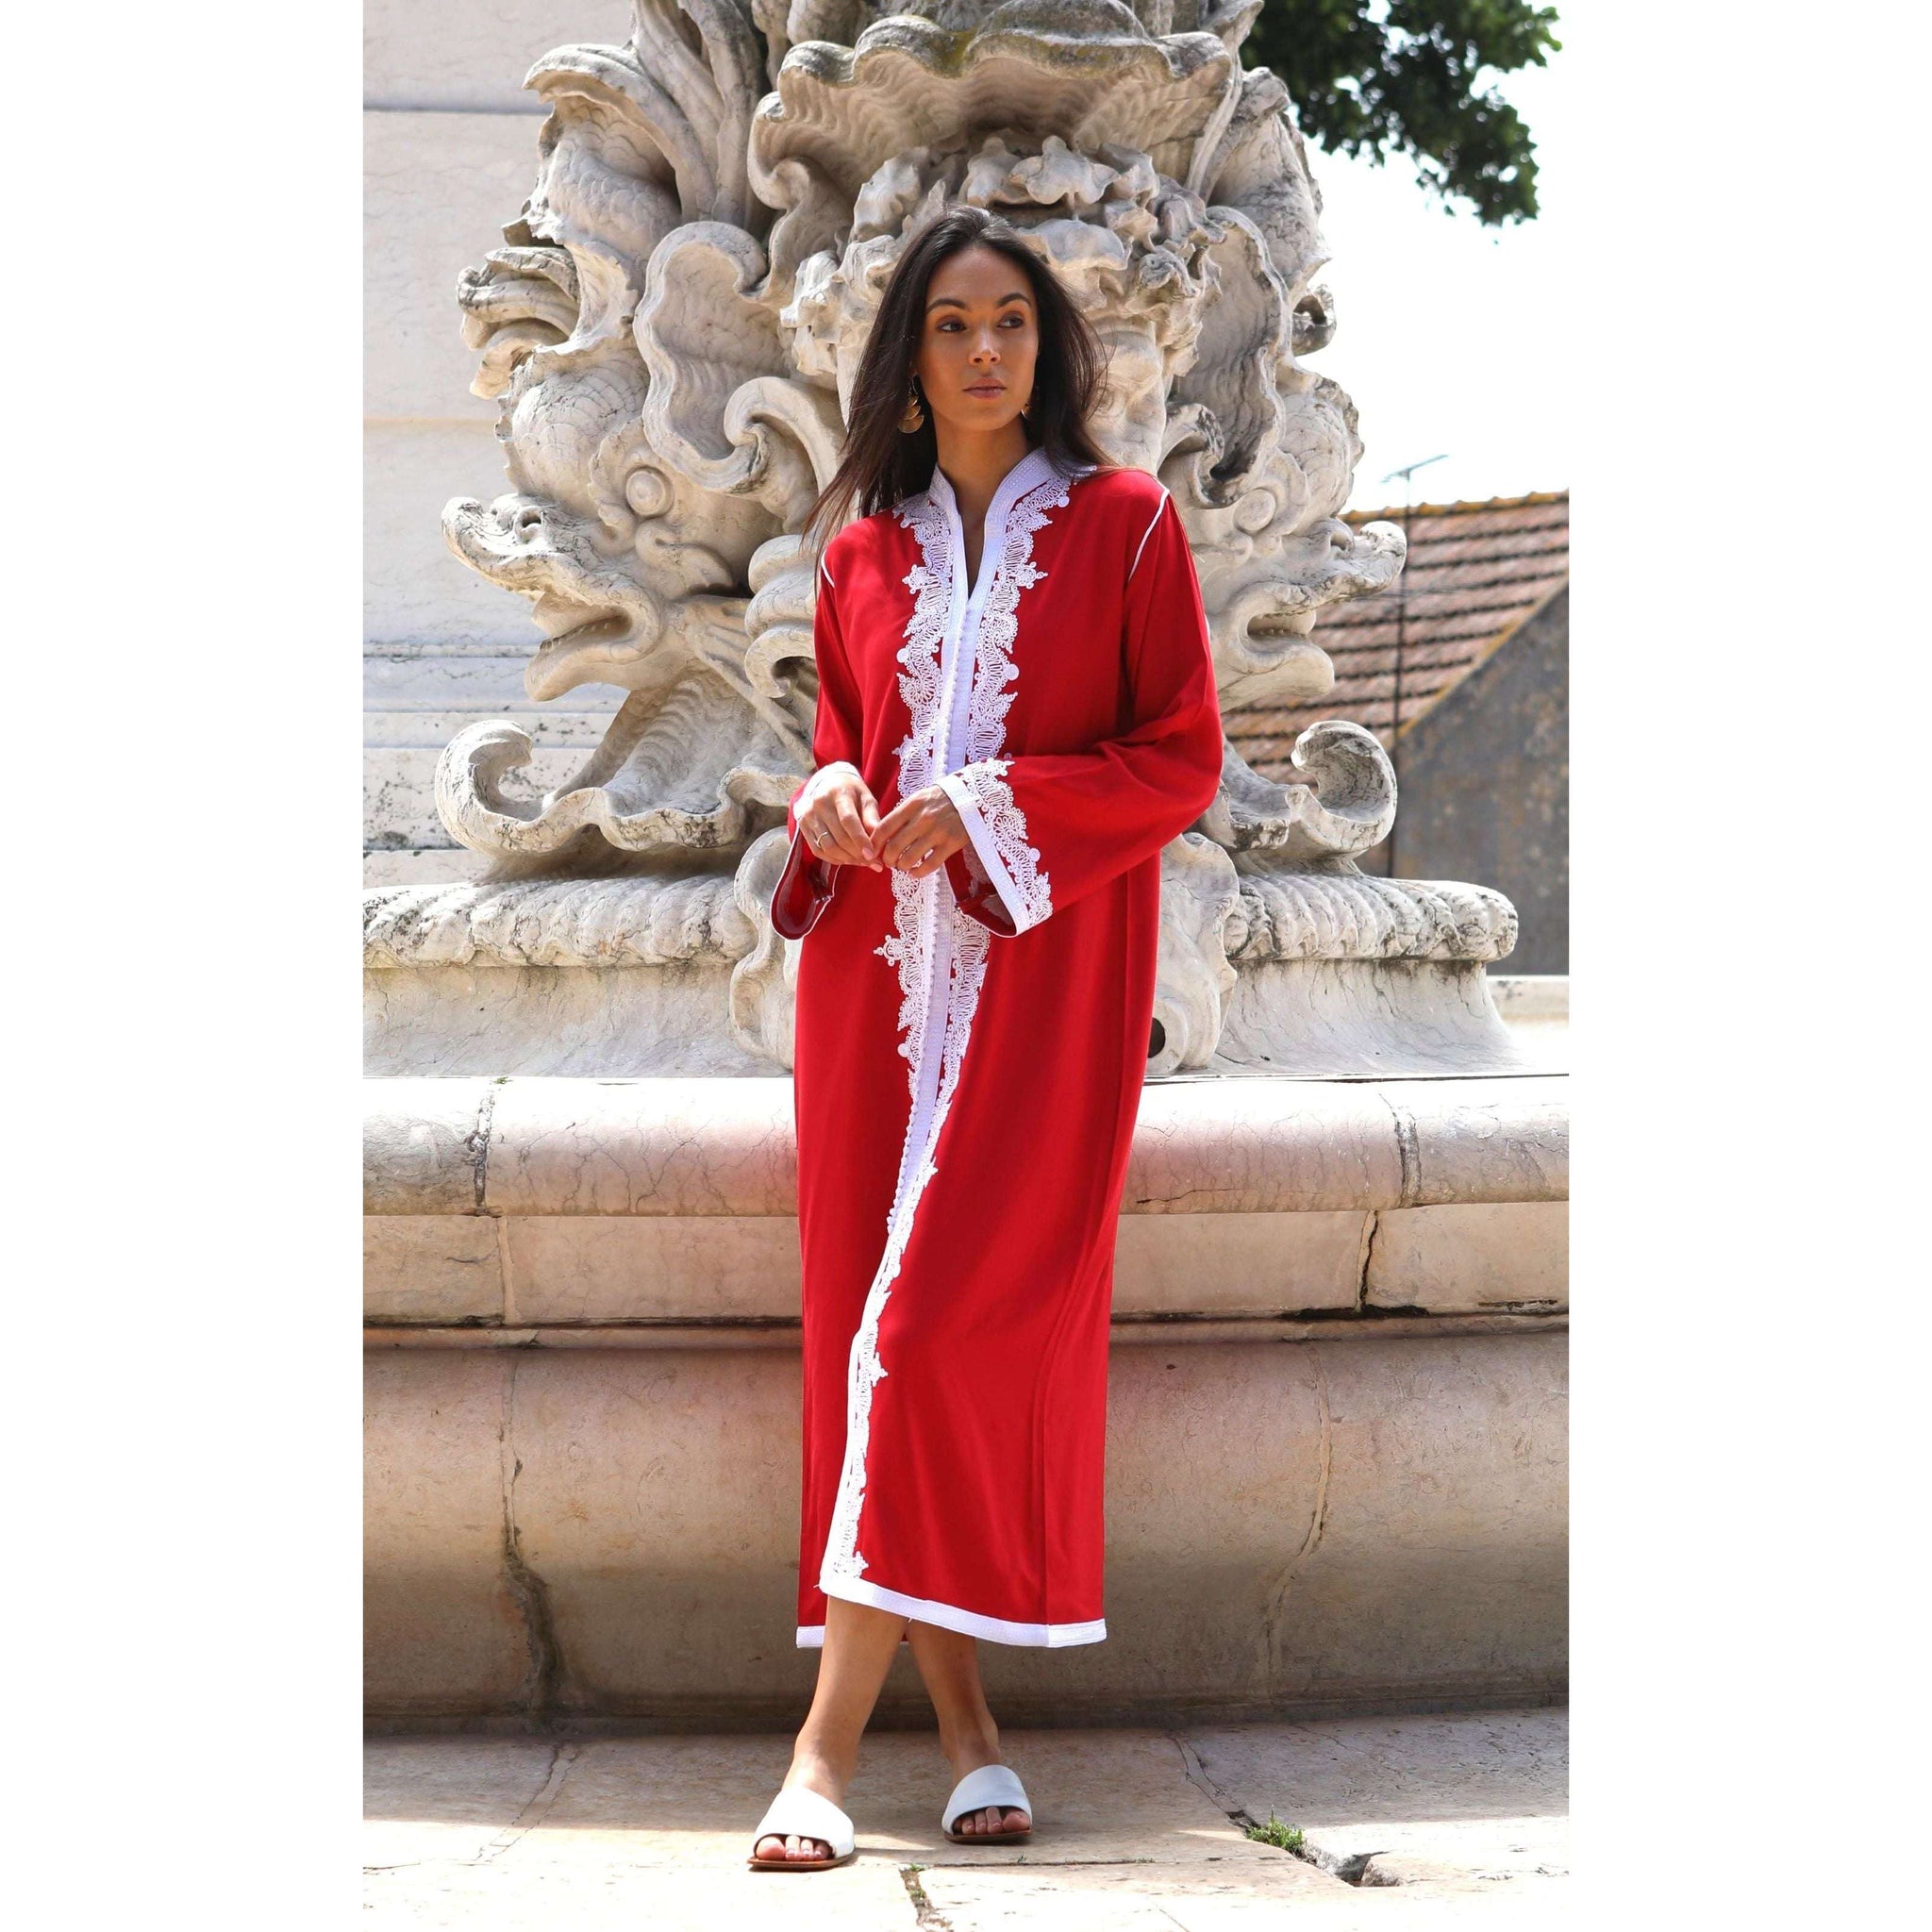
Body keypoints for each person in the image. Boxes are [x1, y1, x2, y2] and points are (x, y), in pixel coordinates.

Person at [749, 205, 1226, 1871]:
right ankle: (965, 1732)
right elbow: (840, 737)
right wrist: (832, 790)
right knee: (879, 1336)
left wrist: (993, 803)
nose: (984, 349)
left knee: (931, 1333)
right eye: (951, 323)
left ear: (1049, 345)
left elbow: (1181, 759)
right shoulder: (859, 555)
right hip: (873, 993)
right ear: (909, 358)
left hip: (1041, 987)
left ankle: (818, 1756)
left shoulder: (1127, 527)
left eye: (1010, 319)